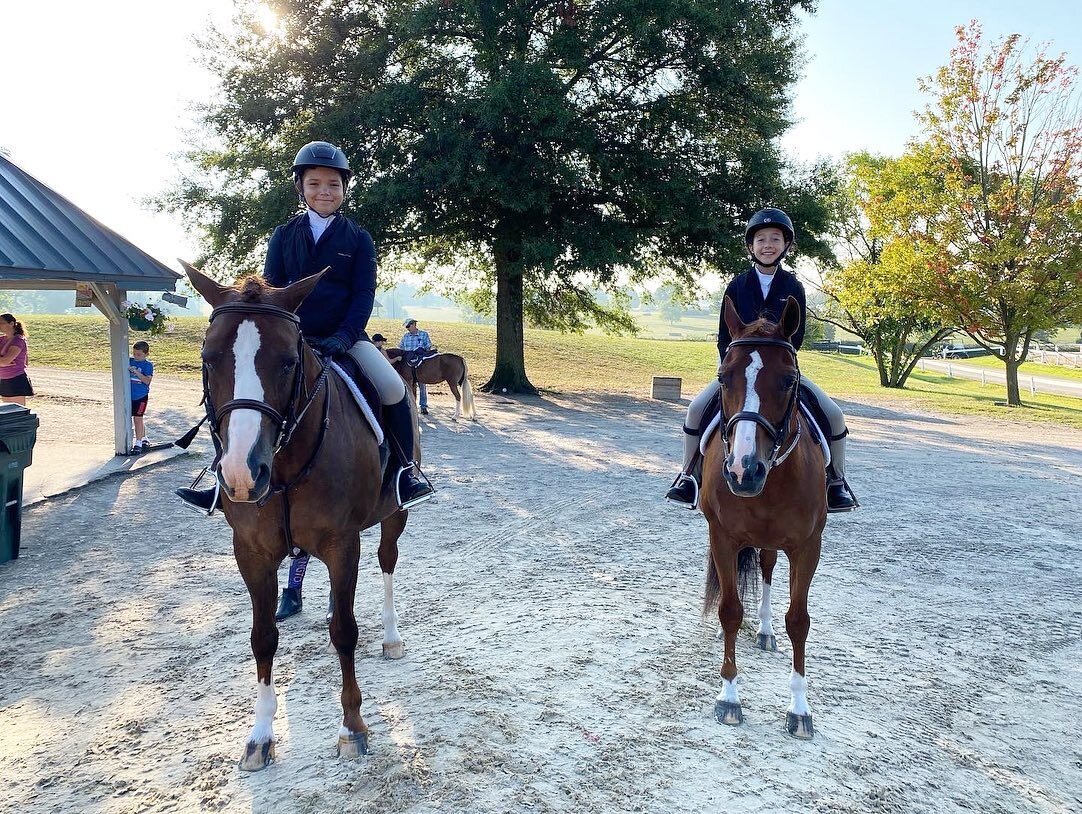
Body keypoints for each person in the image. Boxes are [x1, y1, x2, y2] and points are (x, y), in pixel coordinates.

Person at [175, 140, 435, 620]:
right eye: (315, 183)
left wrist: (344, 337)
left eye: (333, 184)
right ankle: (220, 477)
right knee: (242, 394)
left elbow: (362, 295)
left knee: (393, 387)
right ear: (302, 187)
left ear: (344, 190)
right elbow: (271, 289)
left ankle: (403, 474)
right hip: (286, 340)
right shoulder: (284, 235)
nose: (324, 191)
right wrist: (281, 332)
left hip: (343, 339)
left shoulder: (358, 238)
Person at [664, 208, 858, 513]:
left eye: (775, 239)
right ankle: (688, 476)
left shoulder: (793, 286)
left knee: (834, 415)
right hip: (740, 372)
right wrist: (730, 372)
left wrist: (780, 366)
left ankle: (836, 481)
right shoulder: (737, 285)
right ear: (751, 246)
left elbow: (796, 336)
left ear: (785, 245)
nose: (768, 245)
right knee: (695, 409)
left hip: (779, 371)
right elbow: (724, 335)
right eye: (762, 239)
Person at [400, 318, 434, 414]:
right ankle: (411, 404)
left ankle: (423, 406)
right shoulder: (405, 336)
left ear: (414, 324)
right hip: (408, 363)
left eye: (408, 326)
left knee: (422, 384)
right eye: (406, 327)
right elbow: (401, 348)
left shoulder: (423, 334)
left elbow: (428, 346)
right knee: (408, 385)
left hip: (420, 363)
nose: (407, 328)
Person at [0, 313, 34, 406]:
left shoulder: (18, 340)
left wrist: (4, 361)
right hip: (3, 379)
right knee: (8, 411)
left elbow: (5, 361)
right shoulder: (1, 339)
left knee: (18, 411)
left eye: (1, 323)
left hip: (16, 379)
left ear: (11, 323)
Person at [128, 341, 154, 451]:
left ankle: (138, 442)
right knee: (134, 418)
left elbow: (147, 381)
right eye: (134, 354)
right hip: (129, 396)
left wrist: (136, 372)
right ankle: (144, 438)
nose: (136, 357)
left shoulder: (148, 365)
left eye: (139, 354)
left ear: (146, 354)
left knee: (137, 418)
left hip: (141, 396)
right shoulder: (129, 361)